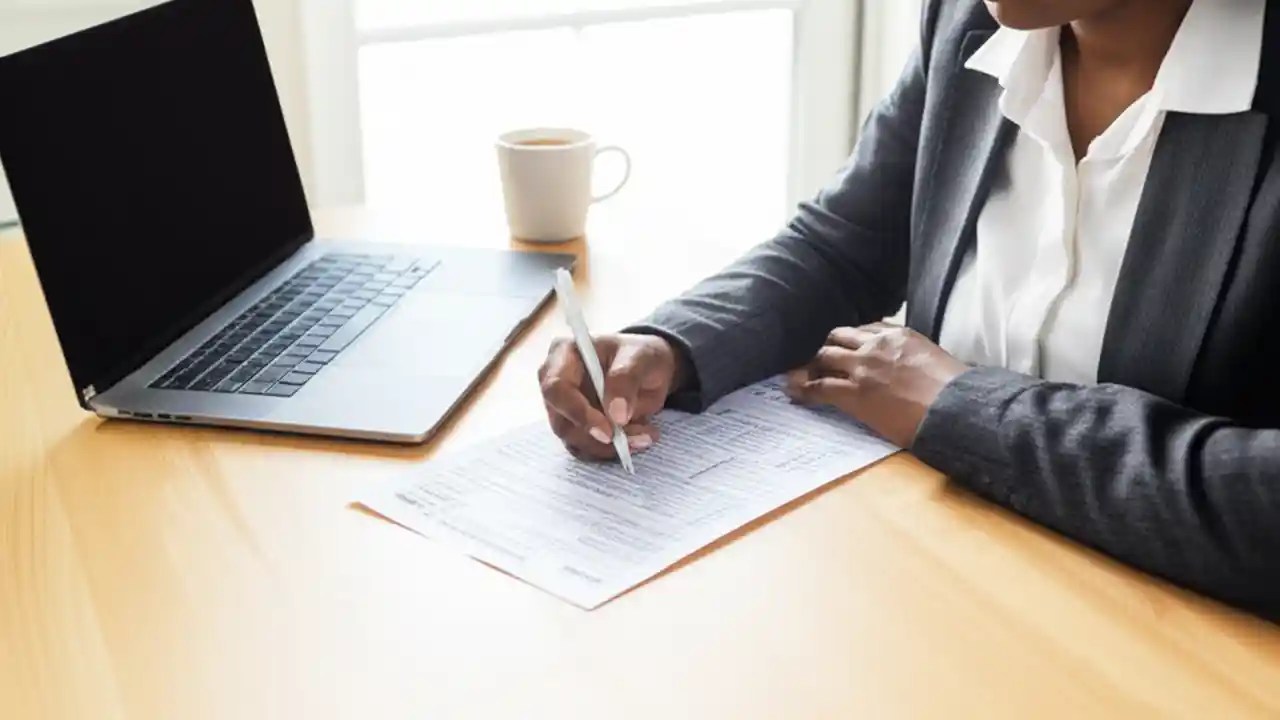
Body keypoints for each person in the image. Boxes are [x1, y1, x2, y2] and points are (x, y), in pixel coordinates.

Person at [537, 0, 1280, 620]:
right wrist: (672, 344)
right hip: (921, 584)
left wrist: (967, 410)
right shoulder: (968, 19)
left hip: (1161, 642)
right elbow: (845, 246)